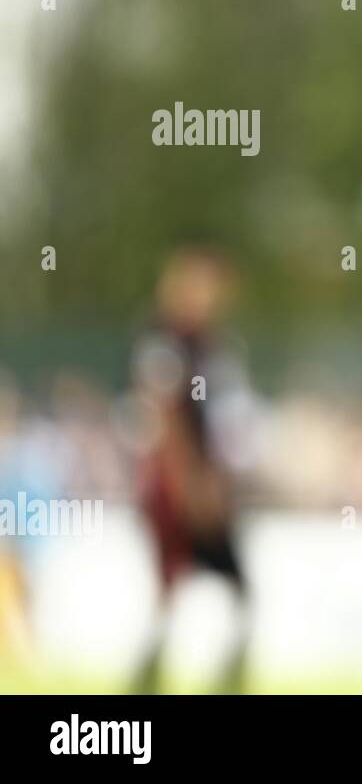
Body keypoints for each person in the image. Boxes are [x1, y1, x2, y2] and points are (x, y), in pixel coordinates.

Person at [129, 246, 254, 694]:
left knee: (191, 588)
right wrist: (191, 483)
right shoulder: (169, 343)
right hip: (176, 486)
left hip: (194, 480)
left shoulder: (209, 345)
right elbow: (166, 417)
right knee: (197, 584)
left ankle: (154, 678)